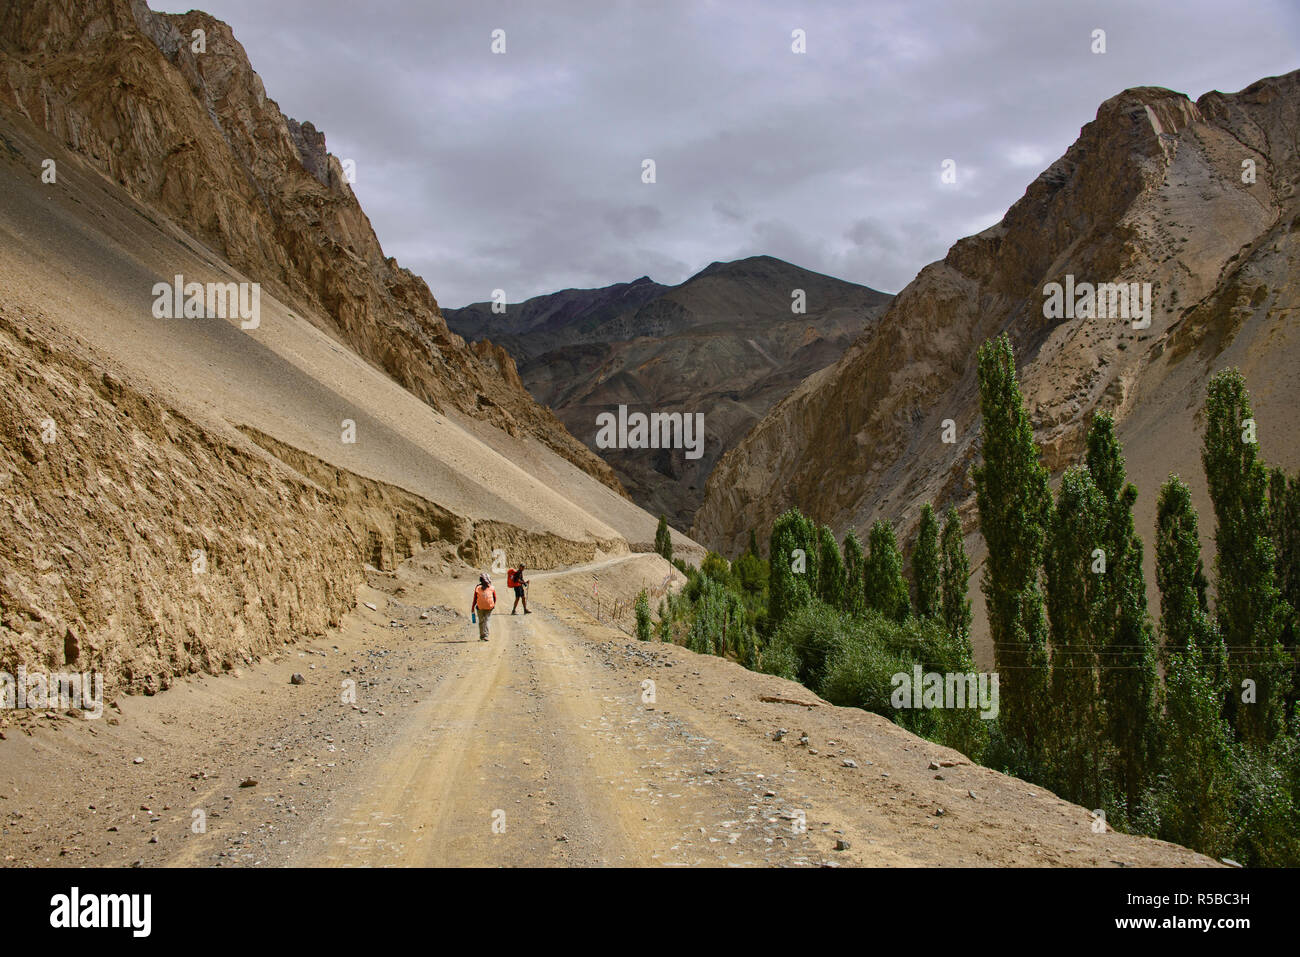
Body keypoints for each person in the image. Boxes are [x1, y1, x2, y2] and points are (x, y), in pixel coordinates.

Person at [471, 574, 496, 641]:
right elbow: (494, 598)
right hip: (489, 607)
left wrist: (473, 607)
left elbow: (475, 598)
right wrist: (493, 605)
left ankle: (482, 636)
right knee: (487, 620)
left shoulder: (478, 587)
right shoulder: (491, 587)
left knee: (481, 621)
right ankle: (486, 636)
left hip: (480, 607)